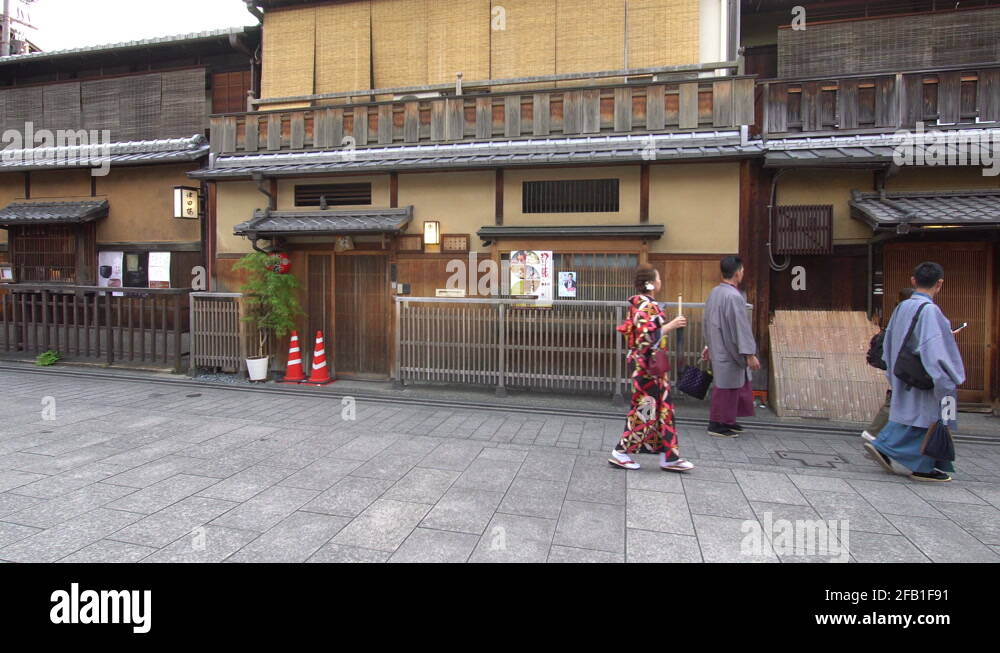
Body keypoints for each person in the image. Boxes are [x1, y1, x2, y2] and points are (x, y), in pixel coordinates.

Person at [865, 262, 965, 483]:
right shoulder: (930, 311)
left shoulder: (903, 307)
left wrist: (892, 372)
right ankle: (890, 447)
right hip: (926, 376)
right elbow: (935, 348)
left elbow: (891, 340)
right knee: (929, 419)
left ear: (913, 280)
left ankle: (924, 463)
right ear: (940, 284)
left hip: (904, 372)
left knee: (914, 418)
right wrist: (946, 378)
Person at [609, 264, 694, 472]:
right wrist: (671, 325)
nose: (660, 281)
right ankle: (621, 452)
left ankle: (669, 457)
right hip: (647, 369)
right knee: (646, 411)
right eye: (658, 278)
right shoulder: (646, 305)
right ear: (650, 283)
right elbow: (646, 337)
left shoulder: (643, 304)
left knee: (659, 410)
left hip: (650, 367)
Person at [702, 256, 759, 438]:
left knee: (730, 386)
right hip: (729, 348)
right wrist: (749, 354)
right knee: (726, 388)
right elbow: (741, 328)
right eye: (742, 270)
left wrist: (708, 344)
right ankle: (717, 424)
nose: (742, 273)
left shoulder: (715, 292)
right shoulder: (734, 296)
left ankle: (727, 420)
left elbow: (707, 322)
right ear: (737, 273)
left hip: (718, 345)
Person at [862, 288, 914, 443]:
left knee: (899, 398)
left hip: (897, 363)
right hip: (902, 364)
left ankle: (881, 433)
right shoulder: (906, 316)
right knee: (897, 399)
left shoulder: (898, 314)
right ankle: (875, 433)